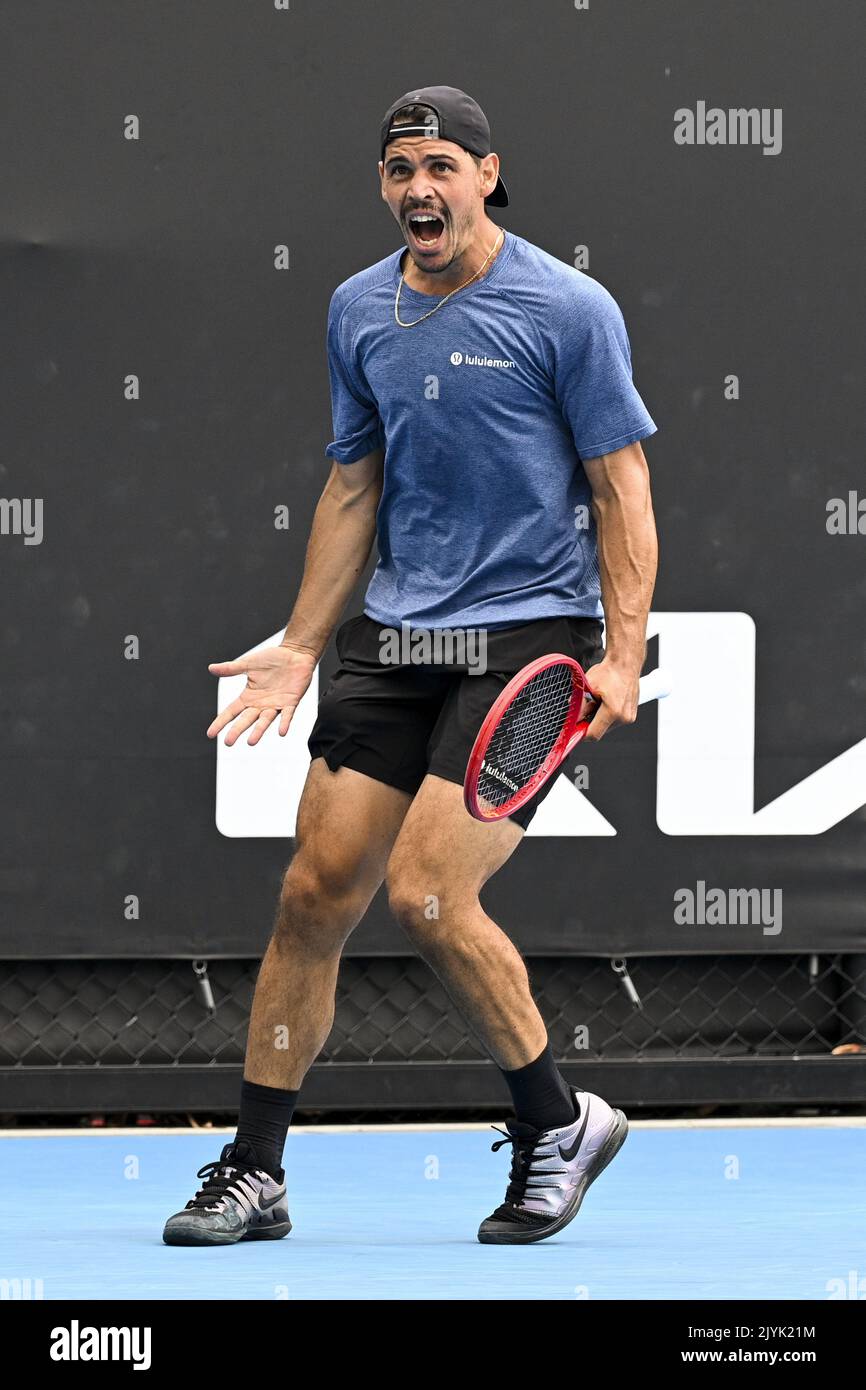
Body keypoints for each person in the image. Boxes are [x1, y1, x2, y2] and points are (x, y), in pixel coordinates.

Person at [163, 85, 658, 1247]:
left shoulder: (566, 308)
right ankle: (257, 1169)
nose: (417, 190)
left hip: (529, 635)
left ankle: (556, 1125)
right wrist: (297, 644)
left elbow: (619, 485)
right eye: (398, 171)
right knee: (310, 894)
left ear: (487, 174)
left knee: (429, 893)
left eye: (440, 165)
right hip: (394, 635)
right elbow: (352, 485)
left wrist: (623, 653)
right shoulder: (356, 310)